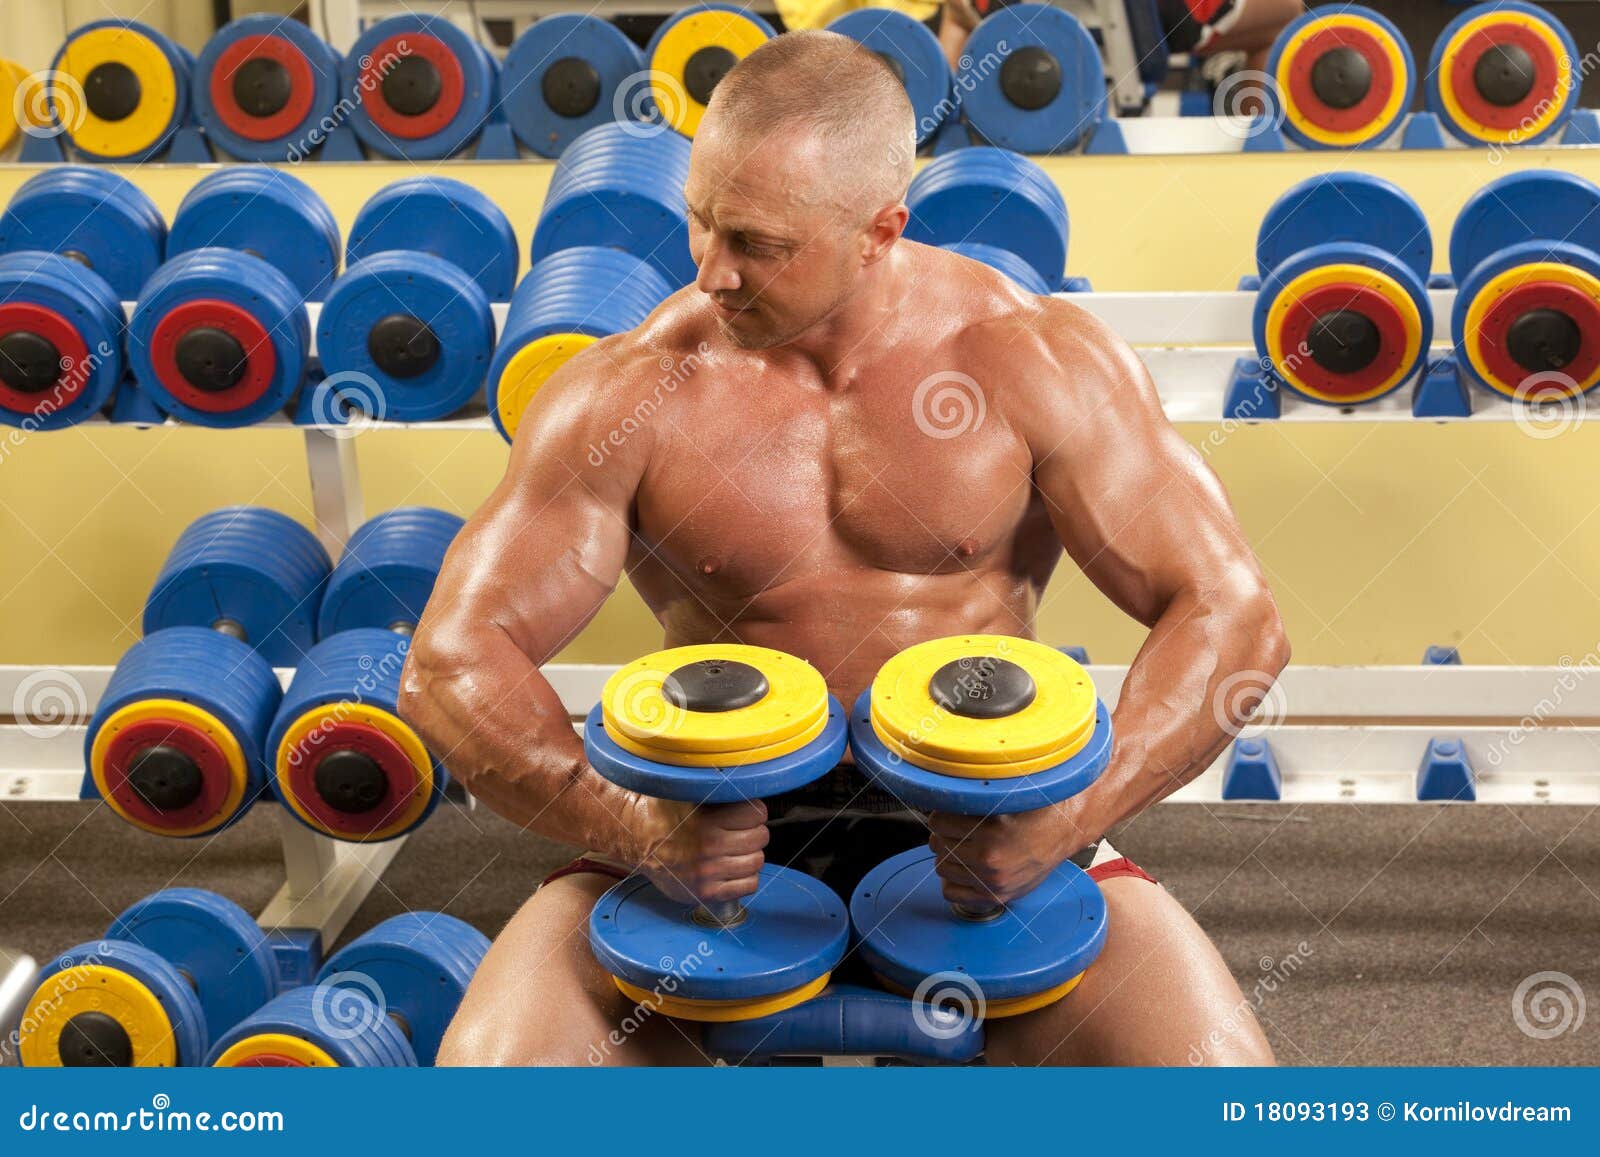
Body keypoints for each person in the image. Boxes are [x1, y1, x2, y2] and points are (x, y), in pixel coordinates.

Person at [402, 30, 1289, 1067]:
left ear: (881, 229)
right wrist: (637, 828)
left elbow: (1233, 614)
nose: (712, 273)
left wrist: (1062, 819)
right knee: (492, 1092)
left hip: (978, 822)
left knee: (1220, 1091)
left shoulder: (1029, 359)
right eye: (700, 222)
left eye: (757, 243)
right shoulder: (632, 391)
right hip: (705, 828)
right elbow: (450, 660)